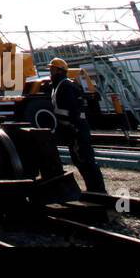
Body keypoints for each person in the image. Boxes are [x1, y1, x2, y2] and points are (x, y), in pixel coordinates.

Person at [48, 57, 106, 194]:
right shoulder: (58, 86)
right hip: (70, 129)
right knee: (79, 159)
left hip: (76, 129)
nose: (50, 72)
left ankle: (98, 191)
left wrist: (74, 127)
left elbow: (75, 110)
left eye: (52, 69)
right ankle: (93, 189)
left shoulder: (66, 86)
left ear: (60, 71)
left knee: (85, 159)